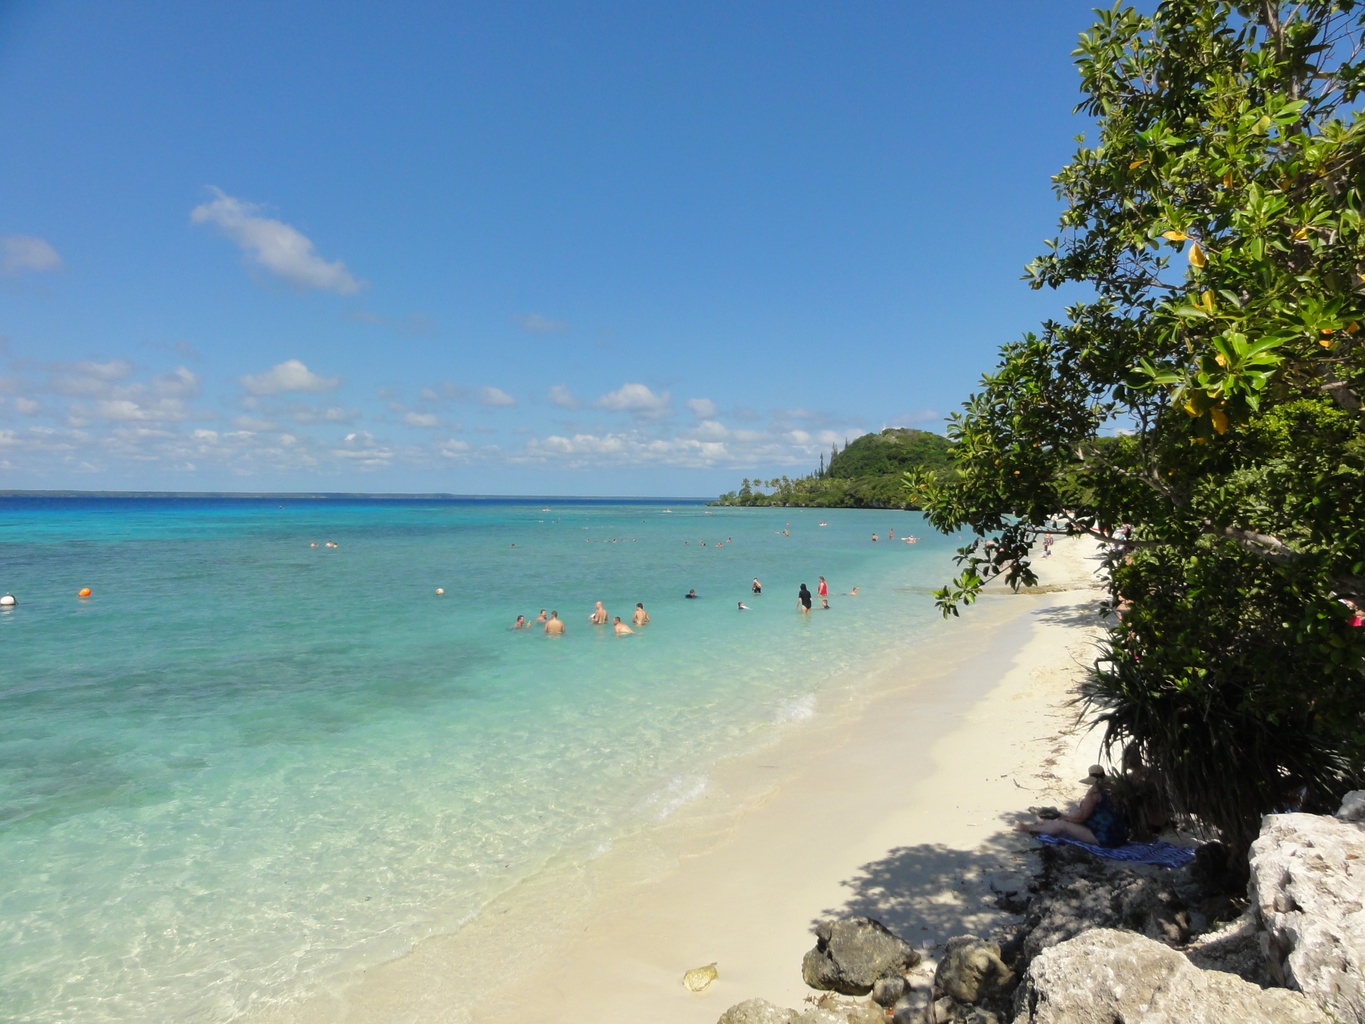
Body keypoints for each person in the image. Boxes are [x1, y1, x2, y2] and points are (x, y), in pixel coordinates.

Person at [1016, 765, 1128, 847]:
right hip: (1121, 834)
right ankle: (1046, 824)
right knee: (1065, 818)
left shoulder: (1094, 794)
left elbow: (1081, 818)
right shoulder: (1113, 788)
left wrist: (1064, 818)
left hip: (1105, 838)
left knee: (1062, 823)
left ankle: (1031, 828)